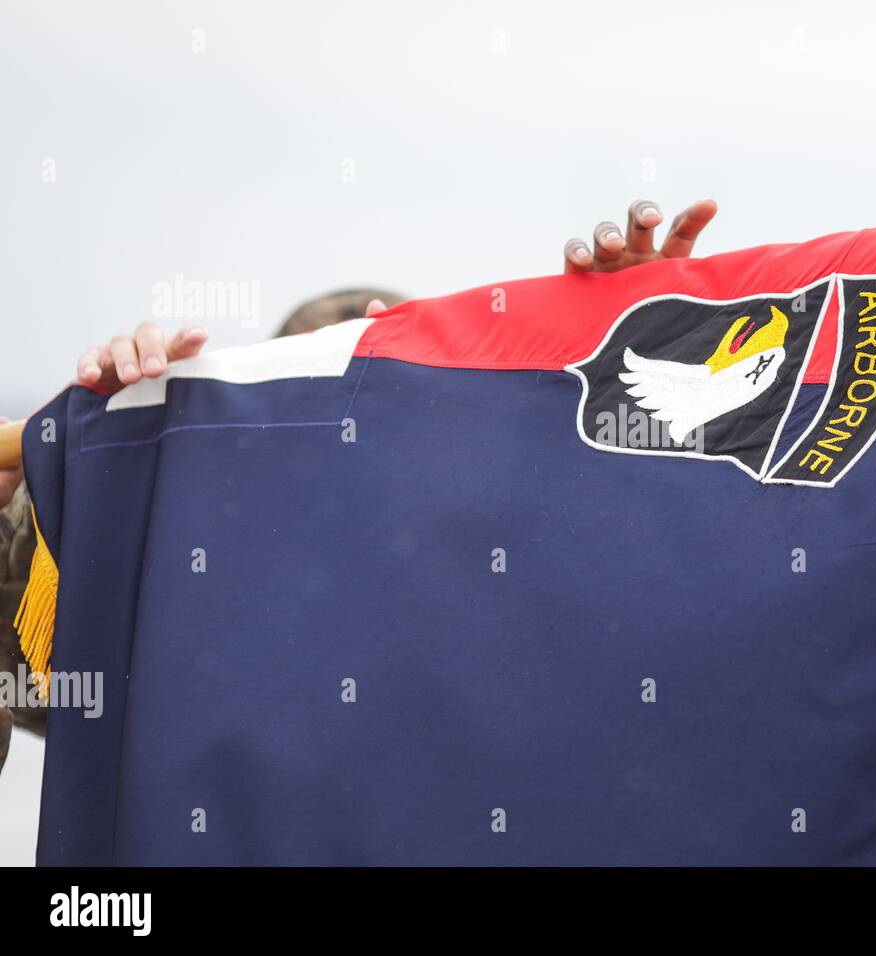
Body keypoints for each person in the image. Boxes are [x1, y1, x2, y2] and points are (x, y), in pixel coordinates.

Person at [0, 203, 718, 774]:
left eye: (393, 404)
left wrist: (649, 428)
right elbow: (34, 682)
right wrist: (91, 477)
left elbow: (693, 640)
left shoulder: (527, 582)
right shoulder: (193, 602)